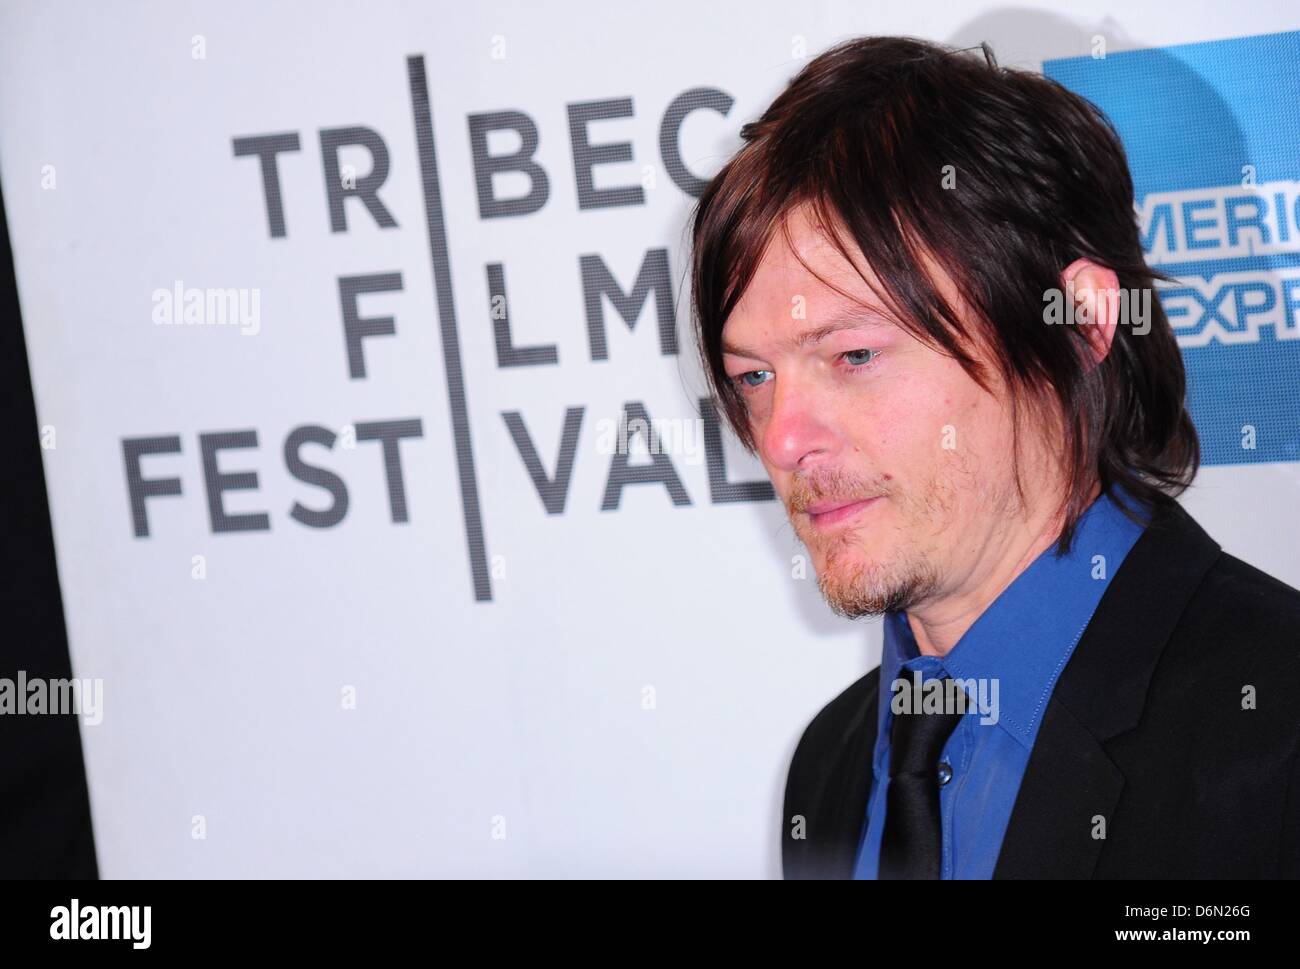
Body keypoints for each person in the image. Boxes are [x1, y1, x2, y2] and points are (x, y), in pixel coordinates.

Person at [688, 35, 1300, 879]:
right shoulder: (830, 767)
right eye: (753, 376)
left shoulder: (1275, 731)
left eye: (854, 356)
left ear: (1081, 320)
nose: (783, 438)